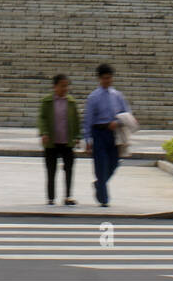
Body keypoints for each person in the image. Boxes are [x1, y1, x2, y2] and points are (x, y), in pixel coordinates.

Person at [83, 63, 130, 207]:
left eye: (109, 78)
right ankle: (104, 199)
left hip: (113, 134)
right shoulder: (93, 97)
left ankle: (99, 184)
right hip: (99, 133)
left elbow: (126, 113)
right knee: (101, 165)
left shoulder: (117, 96)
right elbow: (88, 120)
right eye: (104, 78)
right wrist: (88, 140)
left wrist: (118, 122)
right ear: (99, 79)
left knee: (114, 163)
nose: (107, 81)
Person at [37, 73, 80, 206]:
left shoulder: (71, 102)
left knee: (69, 169)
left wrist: (77, 136)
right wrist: (43, 133)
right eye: (62, 86)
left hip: (67, 143)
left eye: (66, 86)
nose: (65, 89)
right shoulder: (47, 101)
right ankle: (51, 197)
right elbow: (42, 118)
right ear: (55, 86)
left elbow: (76, 120)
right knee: (51, 170)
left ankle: (68, 196)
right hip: (51, 143)